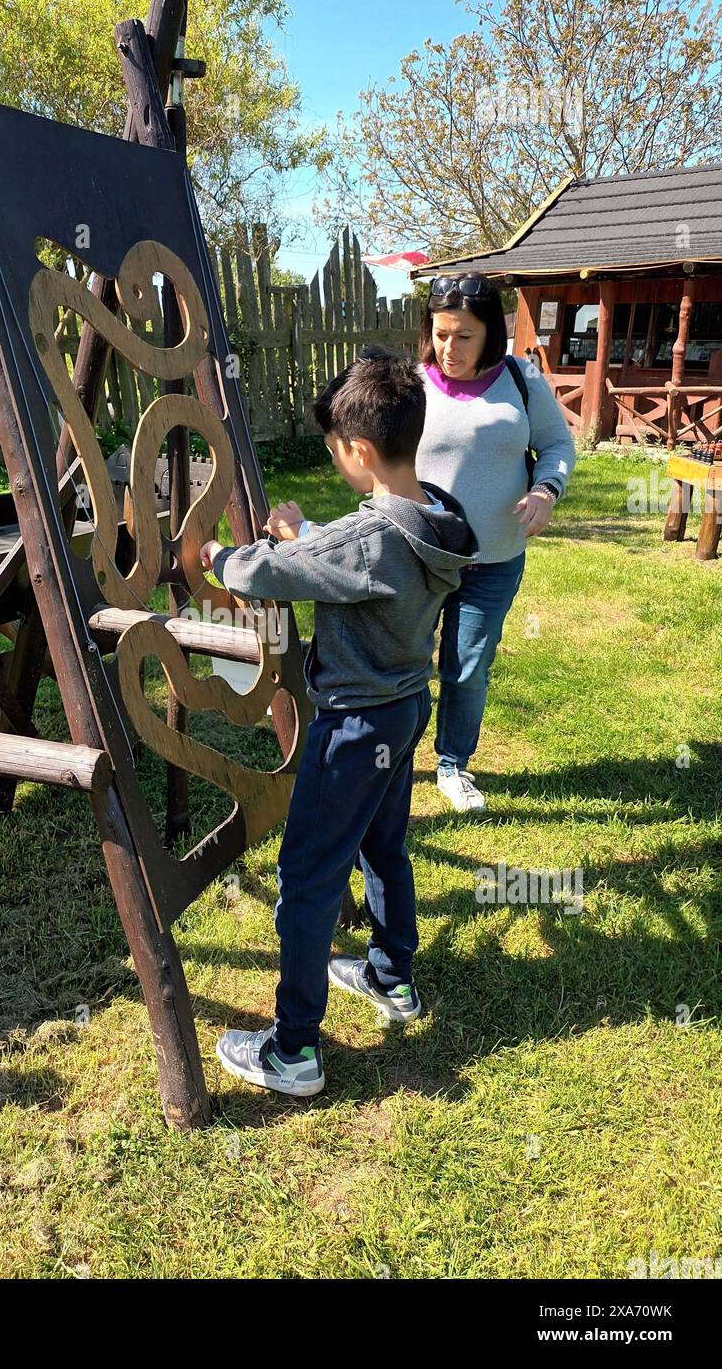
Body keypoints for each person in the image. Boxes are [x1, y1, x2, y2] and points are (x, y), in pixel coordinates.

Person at [199, 352, 478, 1097]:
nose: (335, 461)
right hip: (402, 711)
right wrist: (307, 535)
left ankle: (293, 1053)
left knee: (308, 877)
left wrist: (213, 554)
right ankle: (391, 978)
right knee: (383, 847)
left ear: (356, 450)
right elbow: (358, 562)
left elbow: (259, 573)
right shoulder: (436, 519)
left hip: (352, 730)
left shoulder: (368, 538)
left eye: (334, 451)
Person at [414, 273, 576, 811]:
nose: (449, 348)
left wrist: (546, 490)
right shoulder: (410, 385)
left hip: (494, 560)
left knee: (466, 664)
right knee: (403, 659)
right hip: (417, 557)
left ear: (490, 334)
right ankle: (386, 755)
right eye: (440, 333)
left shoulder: (521, 379)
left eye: (464, 335)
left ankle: (452, 765)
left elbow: (556, 443)